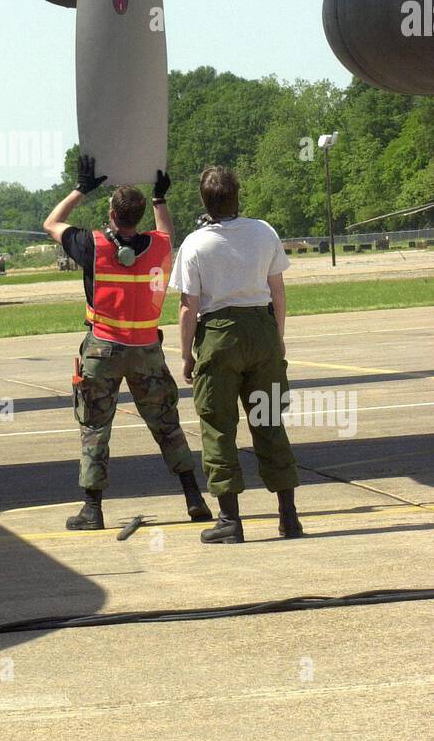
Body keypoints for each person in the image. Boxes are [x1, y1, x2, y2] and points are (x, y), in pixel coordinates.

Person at [43, 155, 212, 530]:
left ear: (112, 213)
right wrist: (160, 199)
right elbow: (167, 231)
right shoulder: (158, 248)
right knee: (167, 424)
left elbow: (51, 223)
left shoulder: (93, 245)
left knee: (95, 427)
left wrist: (80, 189)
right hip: (146, 351)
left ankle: (92, 508)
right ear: (138, 215)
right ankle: (193, 497)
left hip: (103, 348)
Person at [170, 166, 303, 544]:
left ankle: (230, 519)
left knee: (218, 427)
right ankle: (288, 517)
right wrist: (277, 338)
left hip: (218, 336)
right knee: (269, 422)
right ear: (237, 196)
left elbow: (187, 306)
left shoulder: (195, 244)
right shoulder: (264, 232)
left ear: (205, 201)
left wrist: (186, 355)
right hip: (261, 331)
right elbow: (277, 291)